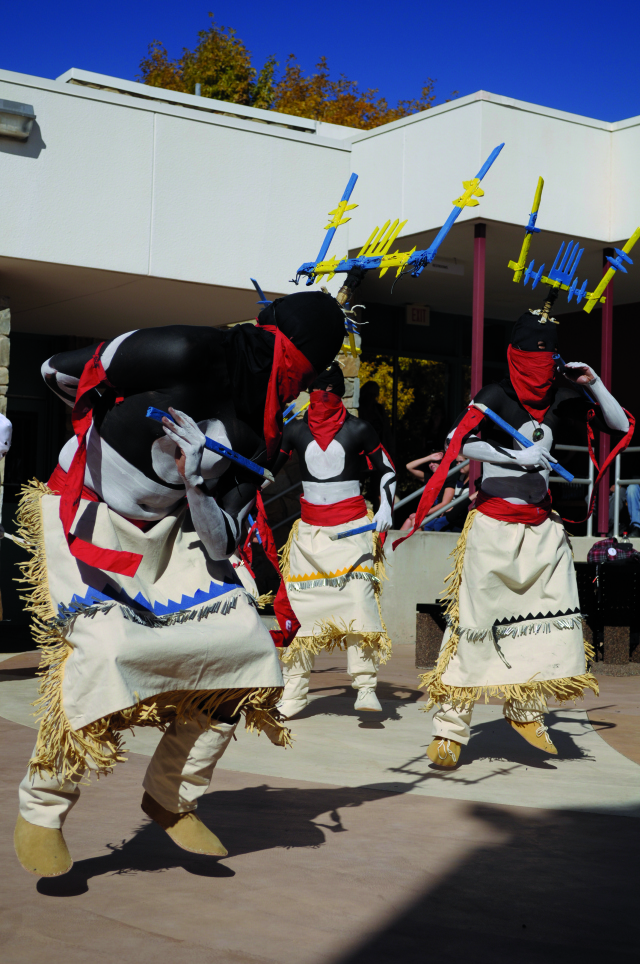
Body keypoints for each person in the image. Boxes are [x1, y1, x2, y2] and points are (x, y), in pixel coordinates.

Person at [14, 291, 346, 877]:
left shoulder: (259, 432)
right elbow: (57, 371)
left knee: (245, 651)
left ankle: (172, 795)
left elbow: (221, 541)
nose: (296, 385)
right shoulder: (184, 349)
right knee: (104, 652)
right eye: (300, 371)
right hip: (86, 511)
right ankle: (42, 809)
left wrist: (197, 481)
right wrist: (105, 422)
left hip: (171, 532)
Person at [395, 309, 631, 768]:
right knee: (474, 628)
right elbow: (456, 440)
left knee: (549, 623)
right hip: (492, 528)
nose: (540, 365)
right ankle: (449, 728)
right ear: (514, 355)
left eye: (549, 355)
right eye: (532, 354)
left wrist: (594, 382)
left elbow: (619, 425)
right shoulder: (495, 396)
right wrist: (513, 455)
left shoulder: (564, 397)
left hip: (543, 531)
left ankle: (526, 710)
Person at [272, 361, 396, 718]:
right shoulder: (294, 430)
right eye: (316, 393)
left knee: (359, 600)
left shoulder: (359, 428)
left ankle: (366, 686)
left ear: (339, 395)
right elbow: (268, 468)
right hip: (309, 535)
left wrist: (386, 507)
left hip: (353, 529)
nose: (322, 399)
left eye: (327, 393)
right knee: (302, 608)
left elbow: (386, 469)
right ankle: (294, 693)